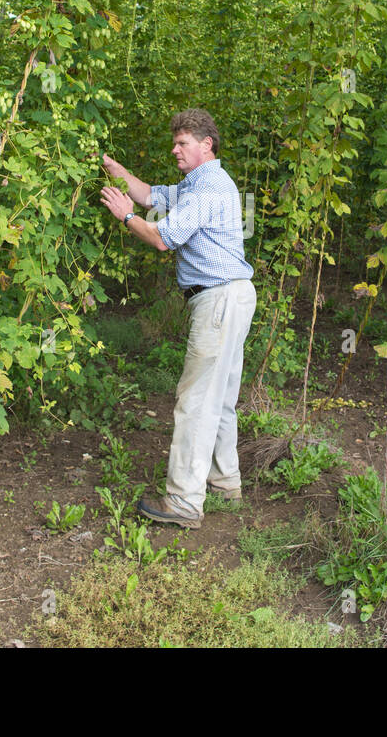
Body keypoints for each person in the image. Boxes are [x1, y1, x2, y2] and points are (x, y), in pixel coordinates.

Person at [99, 108, 256, 529]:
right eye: (175, 142)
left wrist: (125, 217)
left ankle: (185, 502)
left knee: (196, 401)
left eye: (183, 142)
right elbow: (150, 194)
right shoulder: (198, 183)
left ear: (207, 144)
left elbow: (162, 238)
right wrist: (117, 171)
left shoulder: (207, 189)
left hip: (219, 299)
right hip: (232, 296)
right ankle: (224, 482)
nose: (175, 149)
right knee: (220, 398)